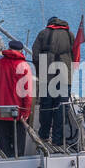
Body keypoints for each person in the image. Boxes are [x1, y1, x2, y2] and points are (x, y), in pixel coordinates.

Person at [0, 40, 33, 158]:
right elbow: (26, 93)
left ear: (9, 48)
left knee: (4, 145)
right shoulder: (24, 66)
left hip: (0, 109)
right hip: (17, 111)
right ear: (21, 51)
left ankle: (5, 162)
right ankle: (18, 162)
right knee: (19, 146)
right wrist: (26, 112)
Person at [31, 16, 74, 145]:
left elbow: (35, 55)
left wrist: (40, 71)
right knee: (61, 108)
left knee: (46, 106)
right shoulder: (70, 34)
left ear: (49, 24)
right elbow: (75, 53)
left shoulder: (43, 33)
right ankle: (58, 139)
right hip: (65, 75)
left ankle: (44, 135)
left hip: (47, 75)